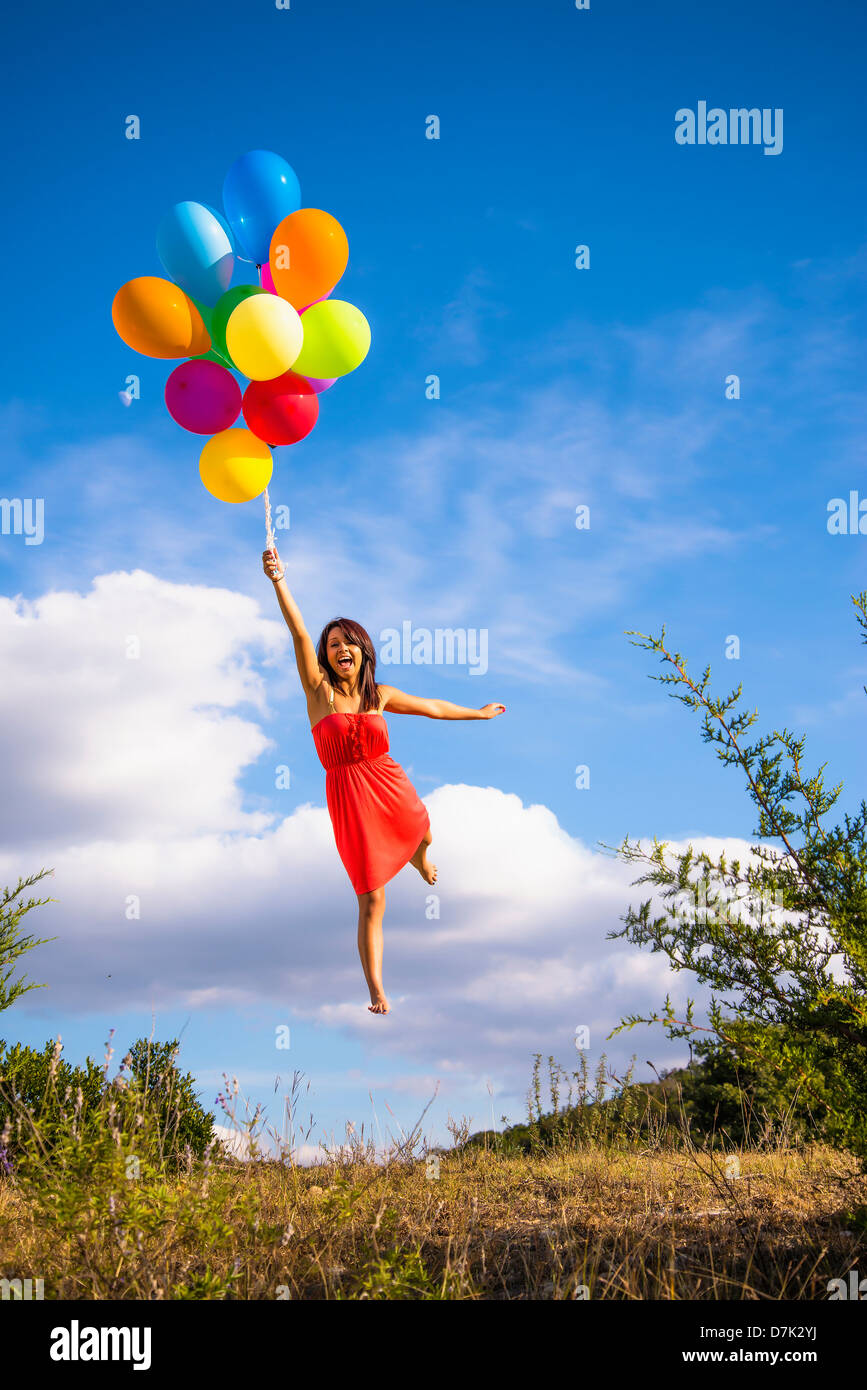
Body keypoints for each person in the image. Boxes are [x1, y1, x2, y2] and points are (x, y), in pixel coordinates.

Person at [263, 545, 506, 1014]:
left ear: (362, 649)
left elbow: (432, 707)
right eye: (331, 644)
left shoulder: (381, 695)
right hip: (348, 798)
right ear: (325, 656)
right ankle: (376, 988)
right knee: (373, 898)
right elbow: (296, 631)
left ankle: (420, 857)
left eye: (347, 642)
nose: (339, 649)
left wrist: (477, 713)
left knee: (425, 831)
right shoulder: (318, 693)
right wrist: (279, 581)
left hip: (387, 783)